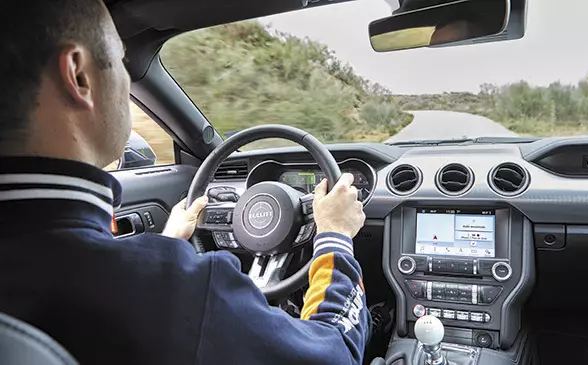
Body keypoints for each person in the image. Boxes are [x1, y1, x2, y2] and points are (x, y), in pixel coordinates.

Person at [0, 1, 369, 364]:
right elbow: (334, 351)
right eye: (122, 61)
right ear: (79, 75)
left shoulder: (119, 282)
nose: (126, 81)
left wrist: (162, 247)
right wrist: (335, 234)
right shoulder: (174, 295)